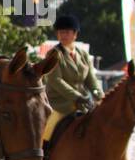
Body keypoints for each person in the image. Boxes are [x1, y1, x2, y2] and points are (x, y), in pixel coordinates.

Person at [42, 13, 102, 147]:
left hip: (83, 105)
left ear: (75, 34)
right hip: (59, 105)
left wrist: (100, 96)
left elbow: (91, 79)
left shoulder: (83, 55)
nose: (63, 35)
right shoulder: (53, 54)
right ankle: (44, 159)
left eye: (66, 32)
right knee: (47, 133)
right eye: (60, 32)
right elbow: (56, 81)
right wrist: (78, 96)